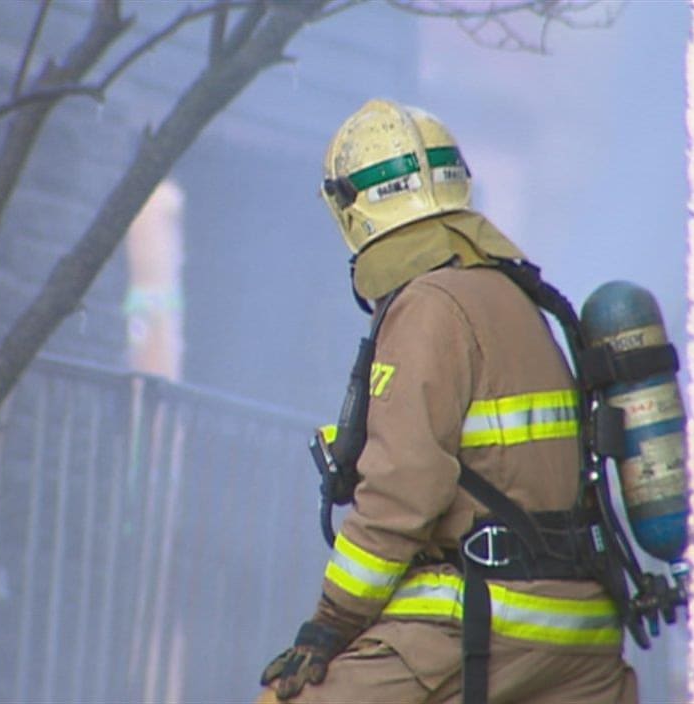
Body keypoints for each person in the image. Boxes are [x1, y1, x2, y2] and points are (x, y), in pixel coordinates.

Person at [256, 99, 638, 704]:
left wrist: (330, 623)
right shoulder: (513, 294)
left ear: (350, 210)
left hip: (488, 620)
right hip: (580, 634)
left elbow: (402, 490)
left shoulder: (429, 304)